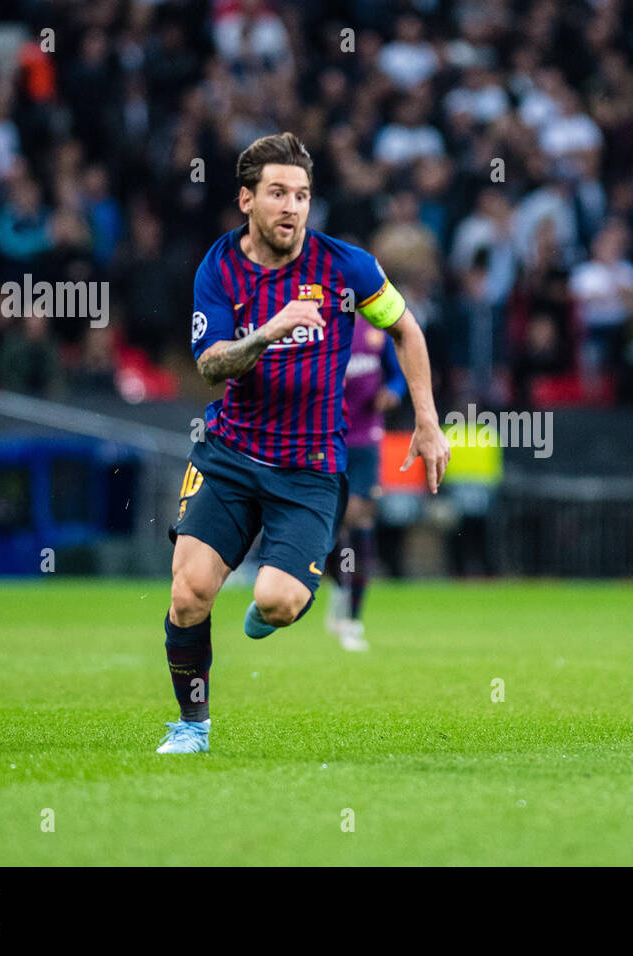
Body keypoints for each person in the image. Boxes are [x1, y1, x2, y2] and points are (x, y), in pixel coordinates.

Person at [159, 133, 450, 754]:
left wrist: (426, 419)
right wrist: (269, 330)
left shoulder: (347, 267)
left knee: (282, 601)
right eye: (277, 194)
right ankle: (192, 726)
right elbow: (211, 365)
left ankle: (269, 608)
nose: (292, 207)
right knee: (189, 594)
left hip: (311, 468)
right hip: (230, 455)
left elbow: (406, 328)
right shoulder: (218, 268)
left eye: (302, 195)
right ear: (246, 199)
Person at [323, 321, 406, 652]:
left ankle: (354, 618)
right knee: (333, 525)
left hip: (367, 438)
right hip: (331, 438)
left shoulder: (377, 331)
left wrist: (392, 393)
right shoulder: (325, 328)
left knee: (361, 517)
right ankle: (340, 586)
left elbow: (397, 376)